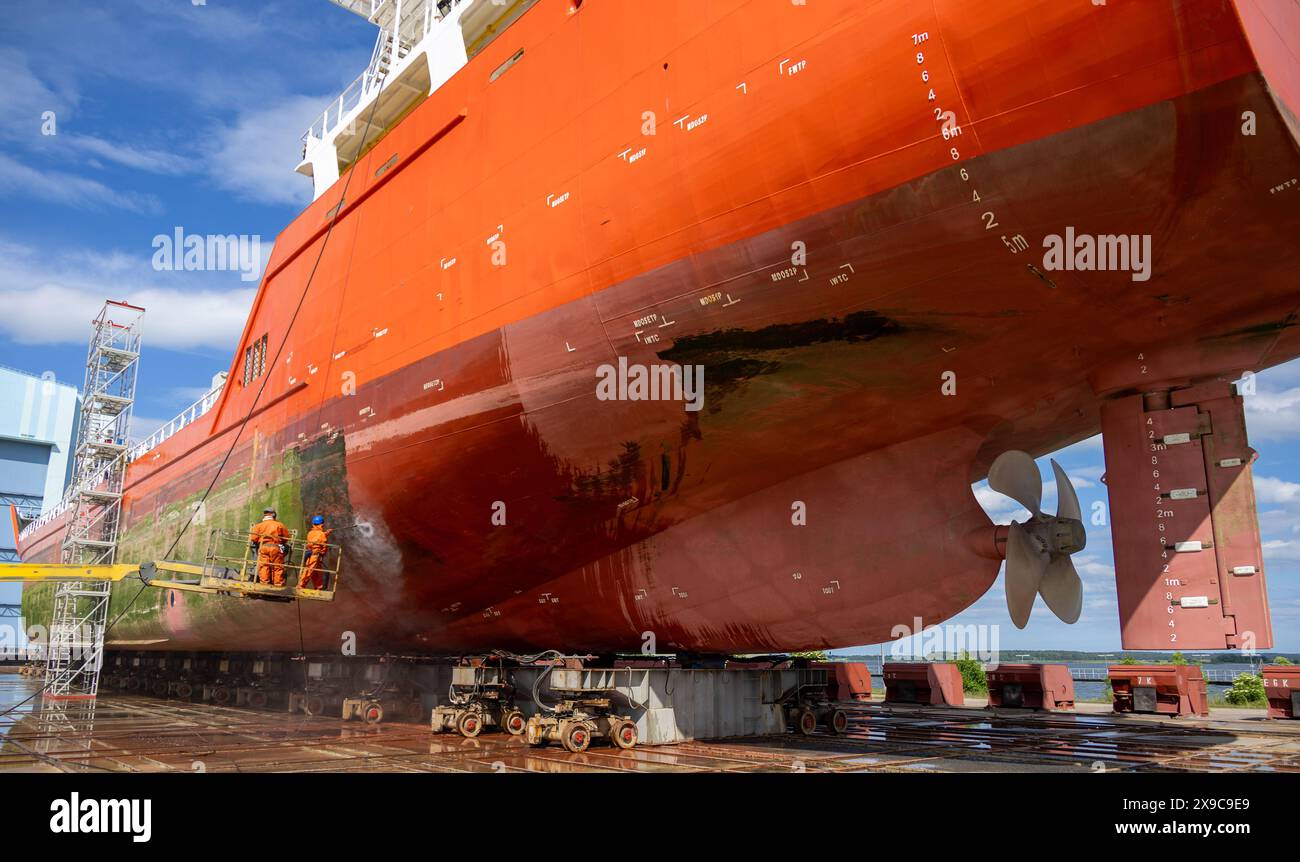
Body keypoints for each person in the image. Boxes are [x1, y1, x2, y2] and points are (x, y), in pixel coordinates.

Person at [248, 507, 291, 586]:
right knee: (277, 567)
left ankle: (264, 585)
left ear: (264, 515)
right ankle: (277, 586)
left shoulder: (259, 526)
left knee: (264, 566)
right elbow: (286, 537)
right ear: (274, 515)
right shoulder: (279, 525)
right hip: (276, 547)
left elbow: (254, 538)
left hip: (264, 547)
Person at [300, 515, 332, 591]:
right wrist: (323, 553)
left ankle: (319, 587)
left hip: (312, 554)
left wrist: (326, 533)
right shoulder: (321, 534)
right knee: (309, 571)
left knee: (316, 573)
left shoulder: (311, 533)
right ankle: (300, 585)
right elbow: (323, 544)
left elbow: (317, 537)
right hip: (315, 555)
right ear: (322, 524)